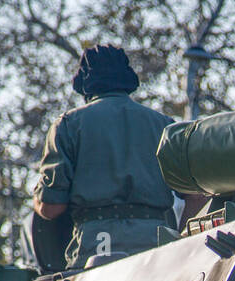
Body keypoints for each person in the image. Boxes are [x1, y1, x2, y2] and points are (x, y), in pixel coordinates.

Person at [32, 45, 175, 269]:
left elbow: (51, 208)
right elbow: (196, 196)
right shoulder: (164, 125)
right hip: (158, 247)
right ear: (128, 79)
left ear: (83, 84)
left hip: (96, 248)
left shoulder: (69, 125)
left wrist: (38, 200)